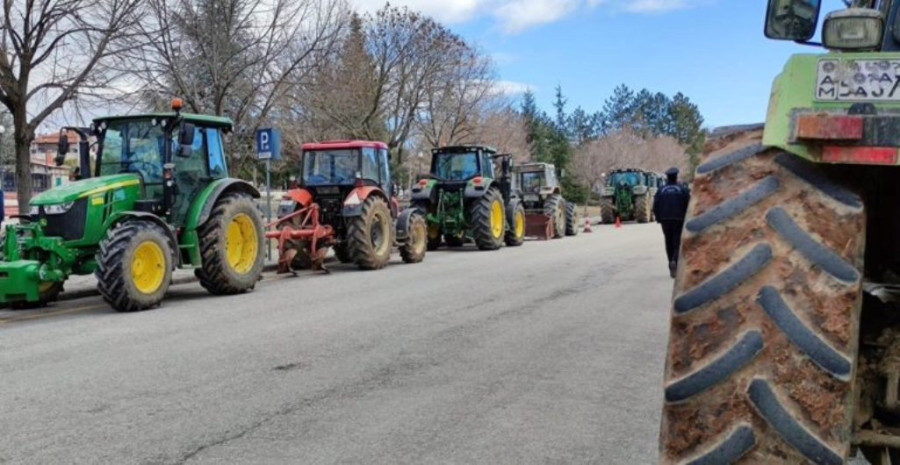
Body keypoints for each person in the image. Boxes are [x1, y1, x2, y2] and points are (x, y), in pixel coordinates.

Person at [653, 167, 691, 278]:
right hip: (679, 219)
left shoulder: (661, 190)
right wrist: (686, 218)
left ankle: (670, 262)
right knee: (677, 241)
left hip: (665, 220)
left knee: (668, 242)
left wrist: (658, 218)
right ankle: (675, 260)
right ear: (676, 177)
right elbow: (688, 204)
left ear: (667, 177)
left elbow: (655, 205)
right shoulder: (682, 190)